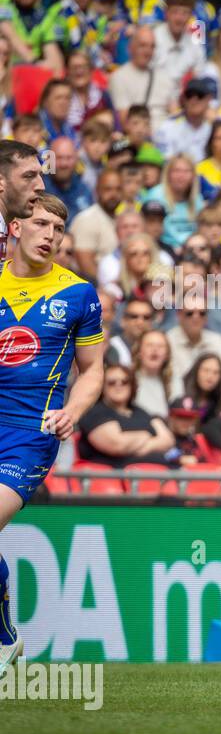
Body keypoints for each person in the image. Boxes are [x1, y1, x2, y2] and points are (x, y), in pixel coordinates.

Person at [0, 184, 105, 674]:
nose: (52, 235)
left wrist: (74, 411)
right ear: (15, 228)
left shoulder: (78, 293)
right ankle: (4, 632)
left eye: (60, 228)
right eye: (41, 223)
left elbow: (95, 370)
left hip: (30, 432)